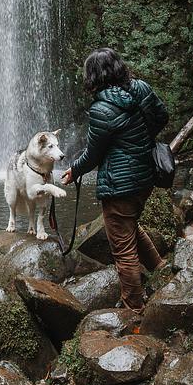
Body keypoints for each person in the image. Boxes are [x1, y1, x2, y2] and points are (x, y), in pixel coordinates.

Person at [62, 47, 168, 311]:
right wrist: (141, 139)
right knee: (128, 226)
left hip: (121, 184)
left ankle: (133, 308)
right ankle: (161, 269)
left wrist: (74, 170)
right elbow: (162, 116)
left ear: (94, 77)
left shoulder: (102, 109)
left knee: (123, 249)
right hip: (146, 176)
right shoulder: (141, 88)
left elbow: (94, 154)